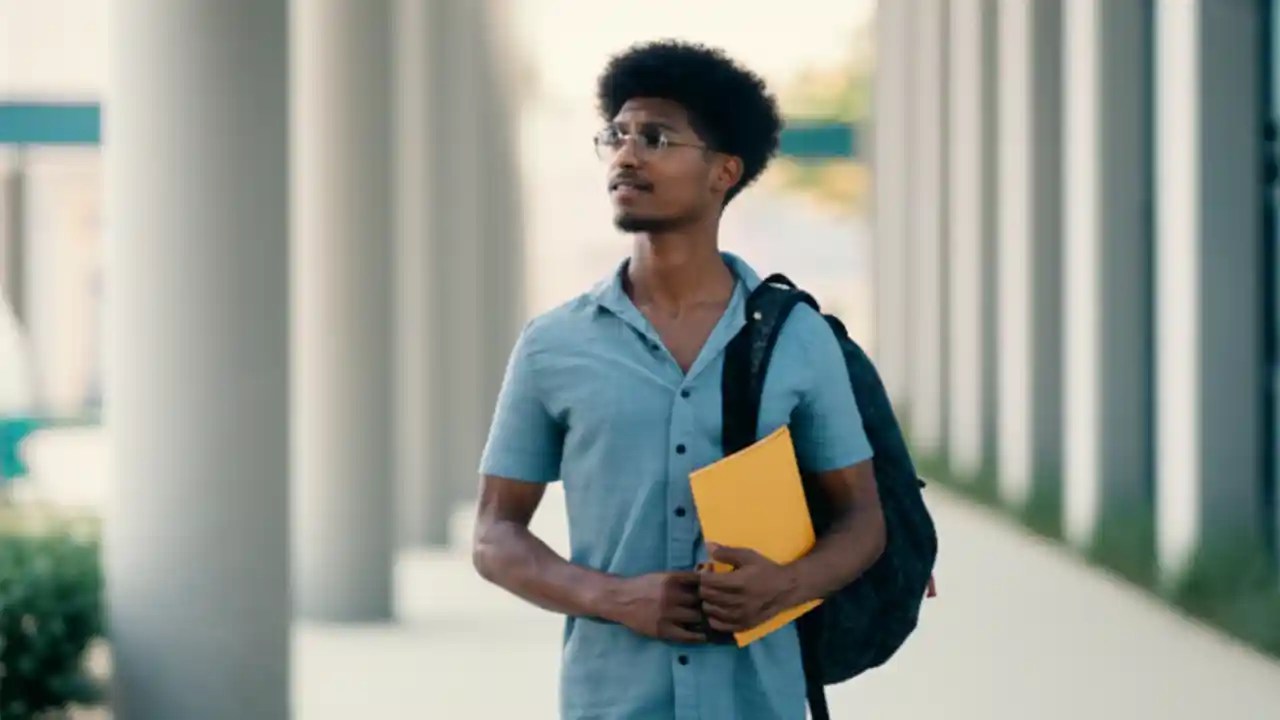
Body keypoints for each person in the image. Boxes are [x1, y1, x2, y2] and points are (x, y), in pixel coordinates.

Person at [473, 40, 885, 720]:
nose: (627, 154)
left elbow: (863, 520)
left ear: (725, 170)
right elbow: (494, 535)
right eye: (618, 134)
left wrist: (785, 586)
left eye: (657, 137)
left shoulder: (797, 338)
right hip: (612, 703)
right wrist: (613, 597)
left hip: (761, 702)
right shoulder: (554, 346)